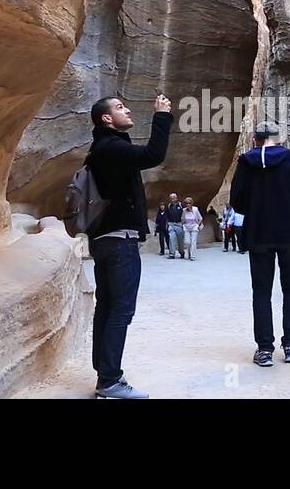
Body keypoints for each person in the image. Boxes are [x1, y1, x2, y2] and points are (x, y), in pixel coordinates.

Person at [86, 93, 172, 398]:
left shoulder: (100, 148)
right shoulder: (112, 147)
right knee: (121, 310)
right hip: (120, 241)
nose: (128, 109)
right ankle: (110, 381)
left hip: (103, 240)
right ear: (106, 118)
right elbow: (153, 155)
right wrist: (161, 115)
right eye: (120, 107)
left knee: (107, 308)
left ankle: (104, 374)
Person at [230, 121, 290, 367]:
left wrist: (256, 210)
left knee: (262, 292)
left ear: (256, 139)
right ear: (278, 139)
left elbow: (237, 200)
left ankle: (264, 349)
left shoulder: (246, 161)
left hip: (259, 234)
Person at [181, 197, 203, 261]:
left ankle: (192, 256)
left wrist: (197, 225)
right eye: (187, 203)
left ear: (192, 203)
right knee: (187, 242)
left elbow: (200, 218)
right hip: (186, 227)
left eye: (189, 203)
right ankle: (189, 253)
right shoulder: (184, 210)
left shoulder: (195, 209)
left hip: (194, 227)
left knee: (193, 242)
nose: (188, 204)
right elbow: (182, 220)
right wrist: (183, 221)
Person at [164, 192, 185, 259]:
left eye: (174, 197)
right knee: (171, 238)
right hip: (171, 224)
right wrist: (166, 225)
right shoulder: (168, 206)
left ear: (176, 198)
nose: (172, 199)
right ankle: (172, 254)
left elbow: (184, 214)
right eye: (171, 198)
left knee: (180, 241)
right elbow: (166, 216)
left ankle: (181, 252)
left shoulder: (181, 205)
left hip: (179, 224)